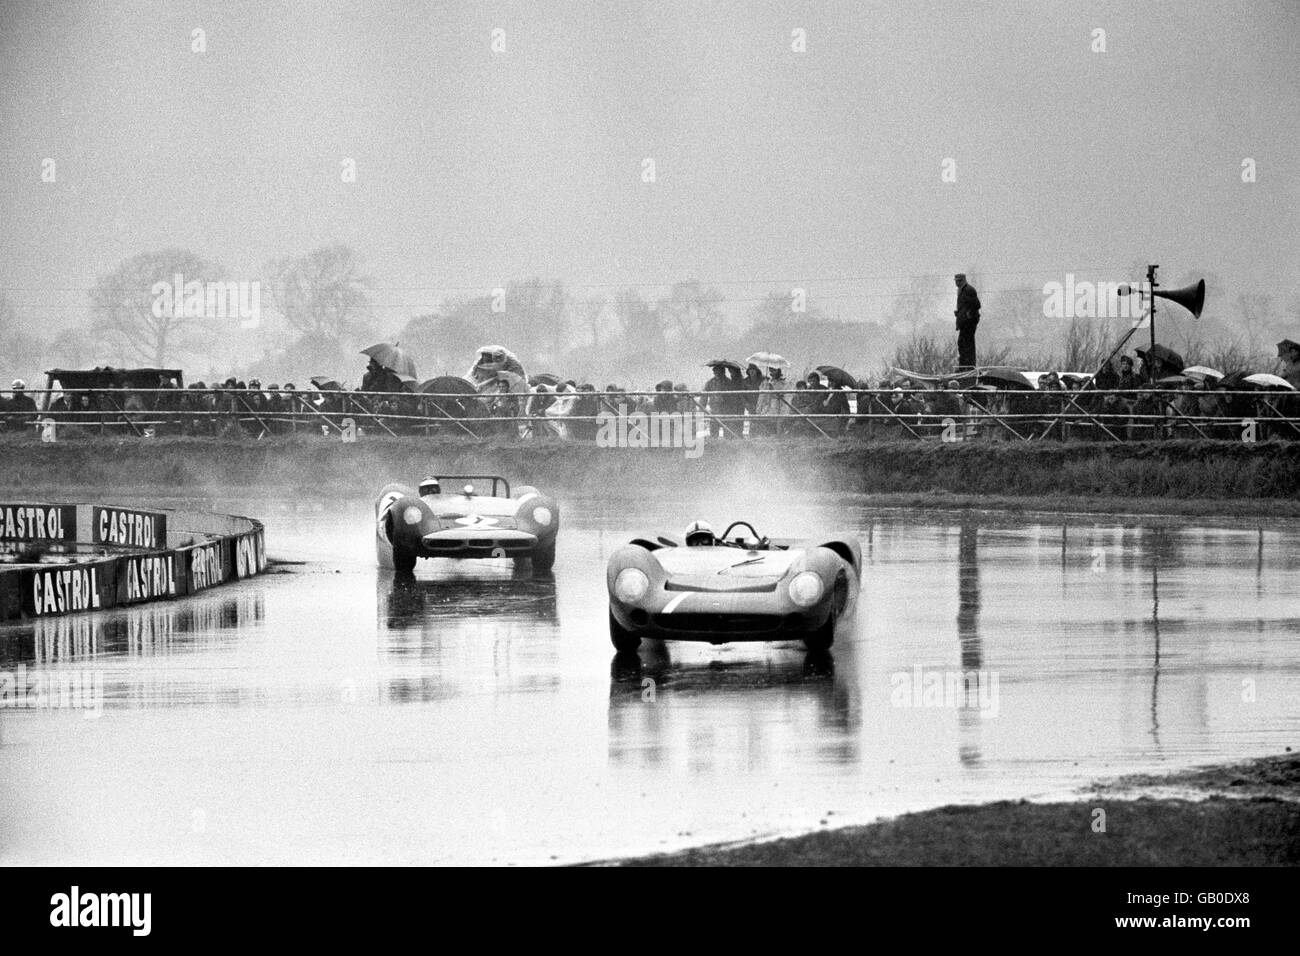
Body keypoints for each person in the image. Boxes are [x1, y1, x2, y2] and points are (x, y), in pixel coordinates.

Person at [954, 273, 981, 371]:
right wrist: (960, 314)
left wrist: (968, 314)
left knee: (967, 344)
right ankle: (964, 365)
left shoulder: (969, 290)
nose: (957, 283)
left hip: (969, 323)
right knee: (962, 343)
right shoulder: (961, 290)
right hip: (964, 322)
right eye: (956, 281)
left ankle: (968, 366)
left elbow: (977, 305)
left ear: (963, 280)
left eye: (959, 281)